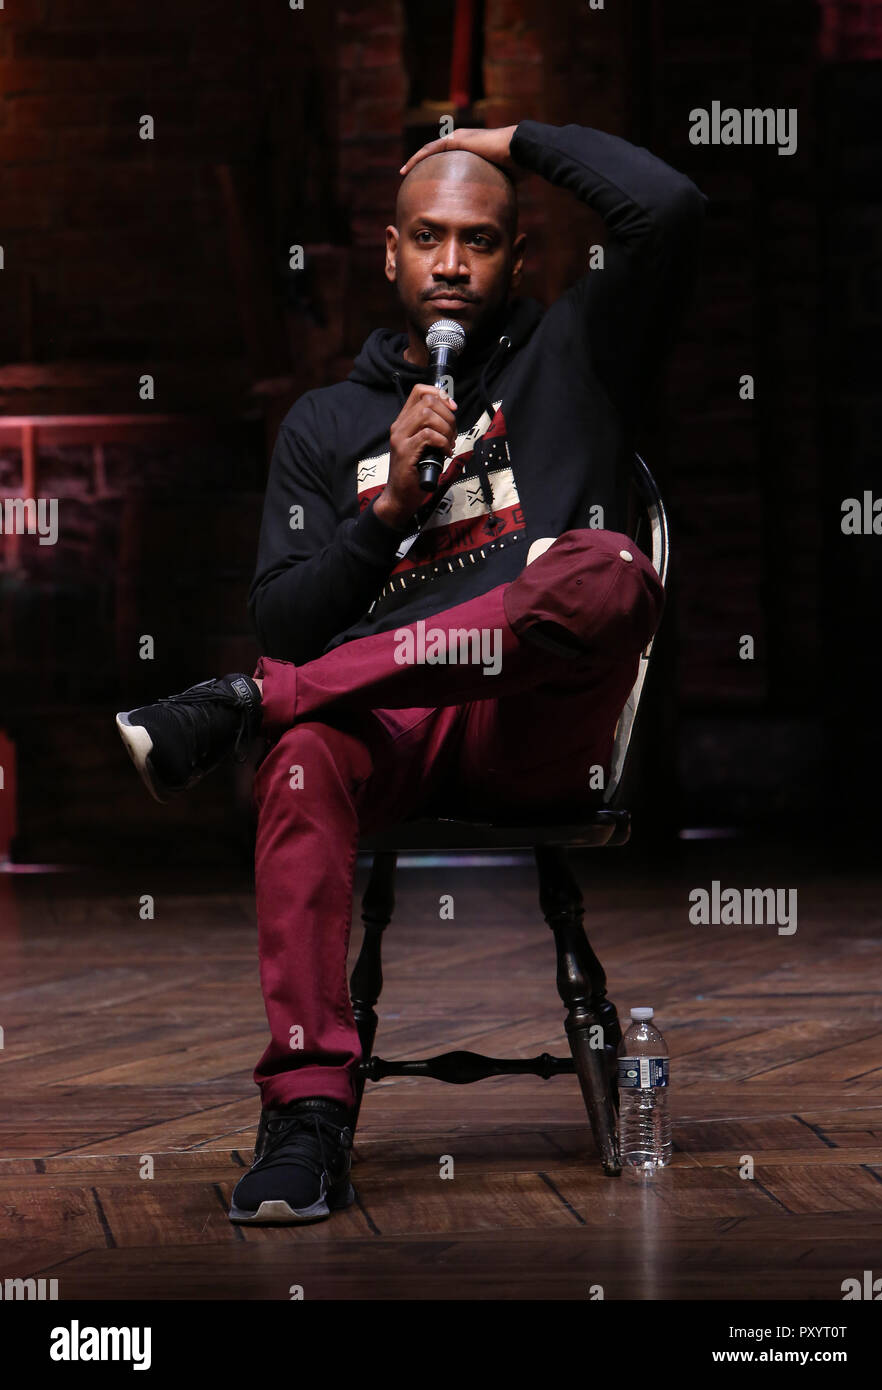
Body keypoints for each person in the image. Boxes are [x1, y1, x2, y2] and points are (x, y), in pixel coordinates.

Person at [115, 121, 707, 1225]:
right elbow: (286, 616)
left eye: (478, 241)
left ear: (516, 258)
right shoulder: (329, 422)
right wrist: (385, 509)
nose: (449, 263)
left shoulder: (576, 354)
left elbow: (666, 207)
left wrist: (513, 137)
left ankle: (240, 706)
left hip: (526, 723)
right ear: (388, 253)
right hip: (382, 728)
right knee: (300, 756)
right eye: (427, 238)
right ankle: (306, 1114)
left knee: (611, 569)